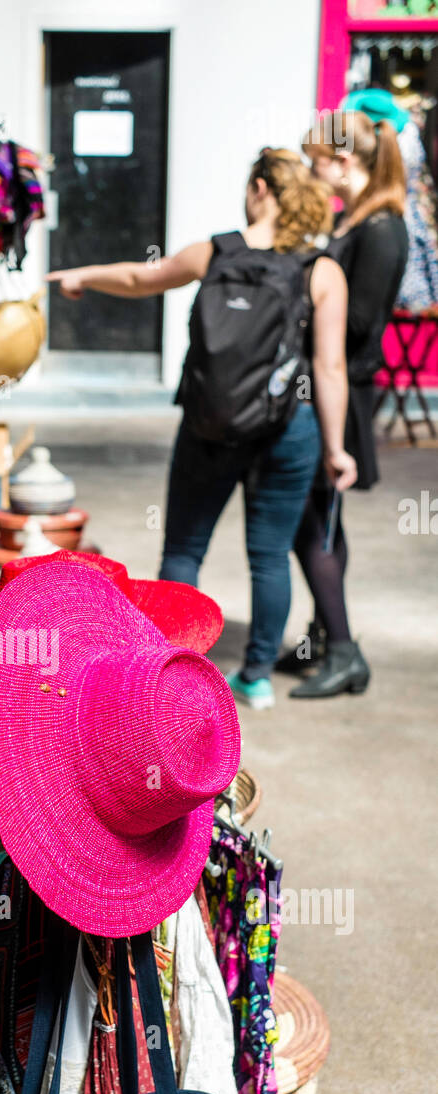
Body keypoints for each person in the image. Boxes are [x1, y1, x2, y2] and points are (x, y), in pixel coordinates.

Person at [47, 149, 355, 710]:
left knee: (185, 549)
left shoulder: (215, 252)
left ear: (259, 188)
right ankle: (256, 676)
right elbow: (329, 368)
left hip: (208, 424)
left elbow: (143, 277)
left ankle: (166, 674)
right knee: (269, 554)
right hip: (287, 429)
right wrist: (336, 448)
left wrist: (82, 277)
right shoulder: (322, 269)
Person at [279, 111, 408, 699]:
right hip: (335, 383)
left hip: (345, 389)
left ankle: (345, 651)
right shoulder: (359, 220)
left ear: (344, 161)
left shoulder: (381, 228)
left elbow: (360, 321)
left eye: (315, 160)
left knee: (314, 525)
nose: (310, 171)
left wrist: (308, 293)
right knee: (323, 520)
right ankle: (328, 637)